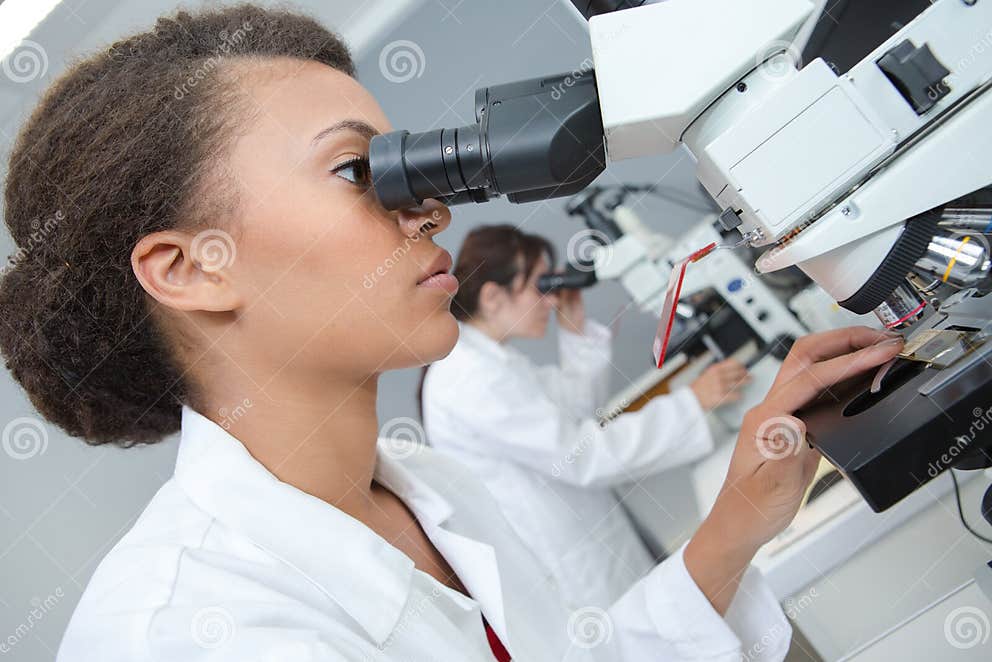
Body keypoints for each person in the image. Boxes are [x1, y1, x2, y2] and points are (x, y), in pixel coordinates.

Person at [0, 5, 905, 661]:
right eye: (359, 169)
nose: (427, 203)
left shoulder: (428, 490)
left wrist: (741, 514)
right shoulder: (190, 634)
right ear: (192, 268)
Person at [421, 224, 750, 610]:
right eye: (540, 286)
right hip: (574, 574)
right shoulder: (470, 377)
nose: (550, 300)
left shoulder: (495, 363)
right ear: (493, 296)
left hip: (590, 545)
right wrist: (691, 404)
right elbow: (582, 455)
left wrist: (575, 331)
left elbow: (572, 415)